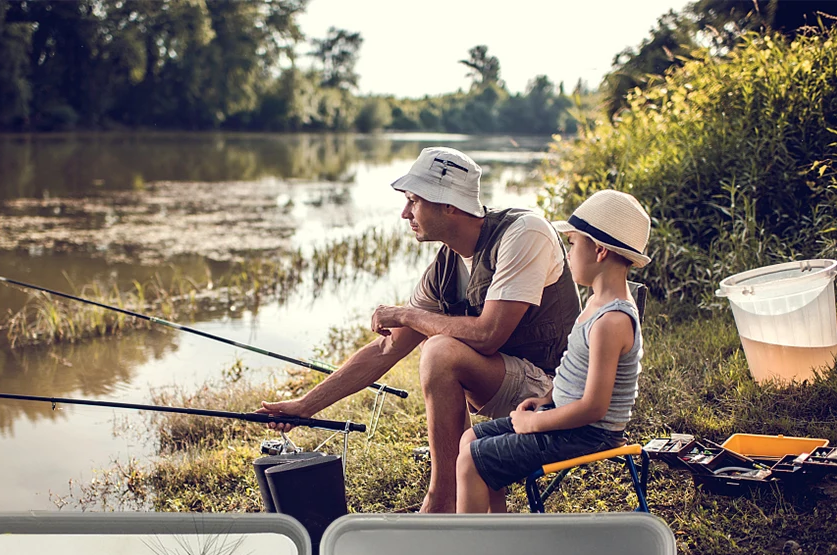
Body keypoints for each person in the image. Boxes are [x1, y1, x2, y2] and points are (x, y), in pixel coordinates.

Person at [257, 146, 580, 513]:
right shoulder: (446, 265)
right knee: (437, 348)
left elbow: (490, 334)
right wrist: (304, 406)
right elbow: (386, 349)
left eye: (413, 201)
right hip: (507, 383)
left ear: (448, 206)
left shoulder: (524, 233)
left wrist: (409, 315)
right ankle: (479, 510)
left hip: (552, 391)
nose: (405, 213)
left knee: (439, 351)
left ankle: (442, 498)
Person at [455, 189, 651, 514]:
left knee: (472, 463)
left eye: (573, 243)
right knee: (469, 442)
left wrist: (535, 424)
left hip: (588, 434)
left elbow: (594, 408)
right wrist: (547, 399)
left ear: (600, 251)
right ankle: (493, 538)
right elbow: (578, 371)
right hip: (565, 417)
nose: (569, 252)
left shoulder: (611, 321)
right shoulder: (595, 304)